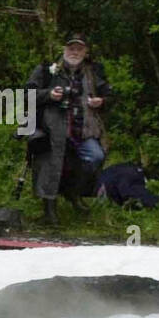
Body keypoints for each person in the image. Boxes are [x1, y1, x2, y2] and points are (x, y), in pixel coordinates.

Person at [23, 34, 113, 224]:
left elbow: (110, 96)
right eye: (71, 48)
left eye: (79, 49)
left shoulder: (94, 72)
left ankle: (73, 193)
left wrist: (101, 101)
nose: (75, 52)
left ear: (85, 52)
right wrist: (49, 95)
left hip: (84, 130)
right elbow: (27, 94)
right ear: (64, 50)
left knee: (95, 157)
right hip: (51, 130)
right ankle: (49, 212)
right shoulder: (47, 70)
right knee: (49, 166)